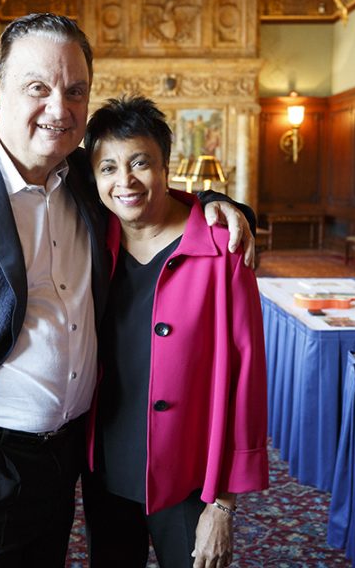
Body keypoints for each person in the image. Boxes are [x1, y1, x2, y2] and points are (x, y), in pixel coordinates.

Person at [0, 13, 254, 567]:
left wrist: (218, 203)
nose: (59, 108)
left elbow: (145, 191)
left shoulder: (86, 180)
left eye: (75, 90)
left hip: (64, 464)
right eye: (37, 88)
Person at [81, 96, 268, 568]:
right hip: (105, 471)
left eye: (140, 163)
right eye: (107, 167)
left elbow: (247, 378)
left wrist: (222, 503)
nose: (124, 181)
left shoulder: (221, 250)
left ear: (167, 167)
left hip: (189, 477)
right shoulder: (88, 241)